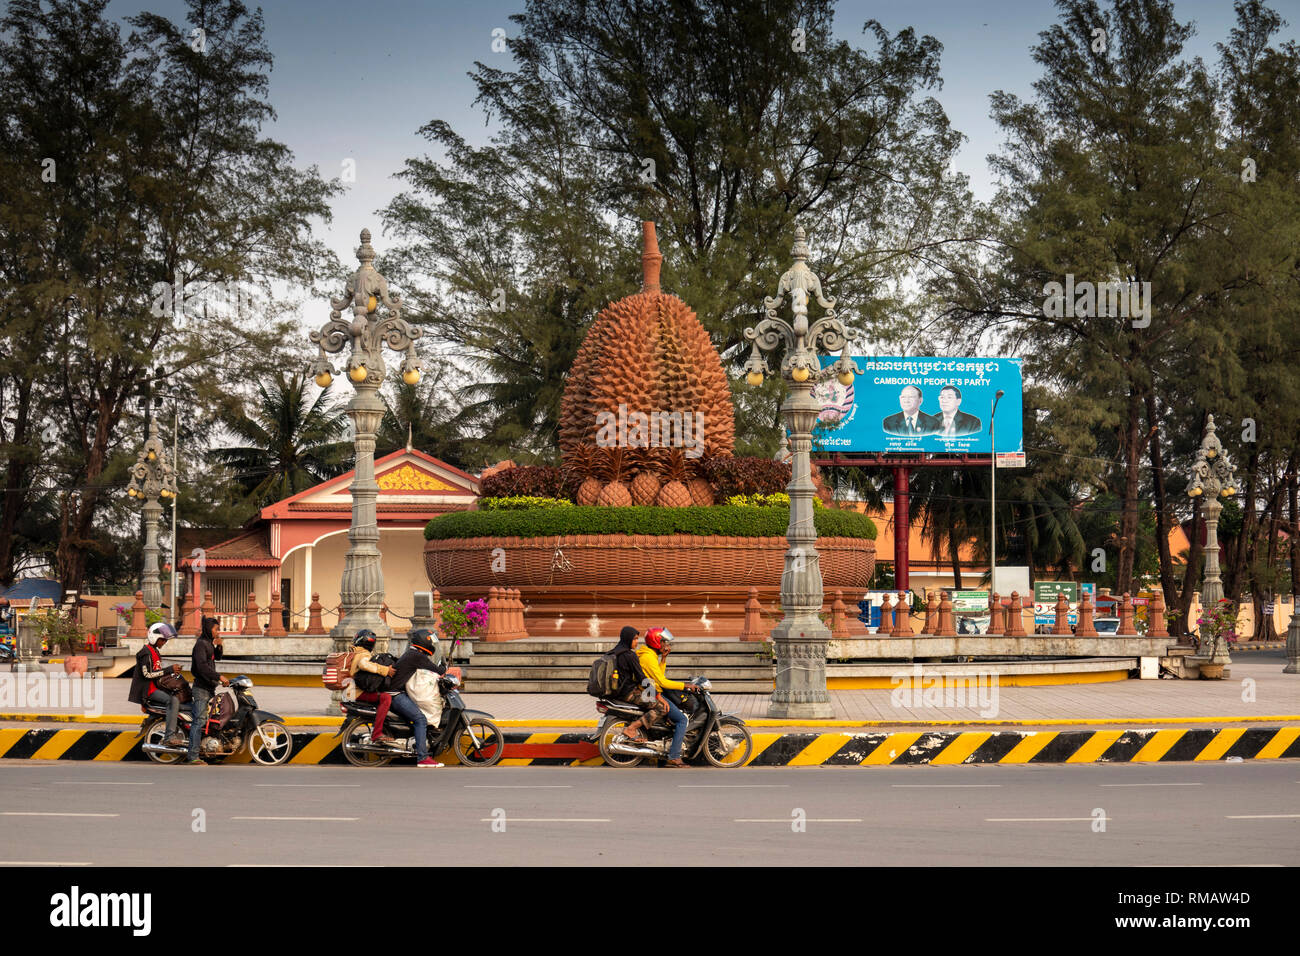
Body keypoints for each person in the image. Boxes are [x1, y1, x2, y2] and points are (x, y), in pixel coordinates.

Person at [634, 626, 701, 768]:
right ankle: (675, 757)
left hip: (653, 691)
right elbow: (663, 682)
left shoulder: (651, 655)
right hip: (651, 694)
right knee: (682, 720)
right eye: (664, 642)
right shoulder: (648, 658)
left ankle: (664, 754)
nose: (666, 645)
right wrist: (686, 686)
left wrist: (663, 659)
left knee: (673, 716)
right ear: (657, 642)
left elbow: (659, 676)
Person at [387, 628, 446, 768]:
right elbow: (437, 670)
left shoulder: (412, 654)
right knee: (420, 719)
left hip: (397, 692)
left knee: (416, 716)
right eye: (431, 642)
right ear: (424, 642)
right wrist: (444, 666)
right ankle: (423, 757)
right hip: (395, 695)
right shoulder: (416, 656)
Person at [127, 622, 185, 745]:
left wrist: (172, 674)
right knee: (172, 701)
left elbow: (157, 672)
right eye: (162, 640)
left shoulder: (155, 651)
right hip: (148, 691)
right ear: (154, 637)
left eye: (165, 640)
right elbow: (147, 674)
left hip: (155, 688)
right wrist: (169, 669)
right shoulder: (146, 653)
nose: (164, 642)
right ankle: (169, 736)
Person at [610, 626, 667, 745]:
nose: (637, 642)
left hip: (616, 692)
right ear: (627, 639)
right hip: (628, 693)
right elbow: (643, 679)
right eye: (635, 639)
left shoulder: (614, 652)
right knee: (661, 708)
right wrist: (657, 696)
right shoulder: (630, 655)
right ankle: (632, 728)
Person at [186, 616, 228, 765]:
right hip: (201, 689)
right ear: (208, 629)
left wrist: (219, 645)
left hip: (210, 688)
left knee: (211, 722)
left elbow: (217, 658)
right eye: (216, 629)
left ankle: (210, 753)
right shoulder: (200, 645)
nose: (218, 631)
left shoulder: (208, 644)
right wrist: (219, 676)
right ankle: (193, 756)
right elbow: (202, 666)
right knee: (199, 721)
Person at [346, 629, 397, 743]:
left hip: (352, 691)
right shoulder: (363, 654)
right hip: (358, 692)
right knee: (386, 698)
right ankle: (377, 733)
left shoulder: (354, 652)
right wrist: (385, 670)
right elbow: (363, 664)